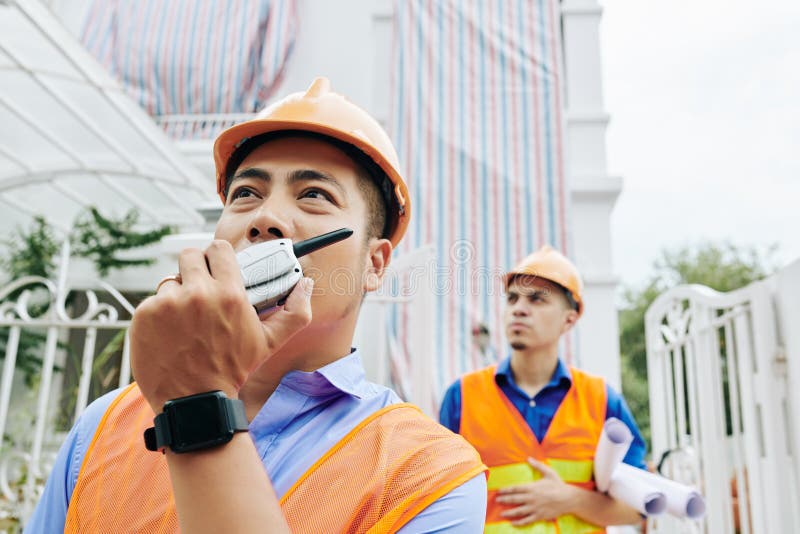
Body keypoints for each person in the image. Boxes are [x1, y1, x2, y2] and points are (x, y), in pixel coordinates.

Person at [26, 78, 486, 533]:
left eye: (315, 195)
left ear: (375, 262)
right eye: (246, 194)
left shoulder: (429, 475)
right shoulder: (102, 425)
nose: (265, 218)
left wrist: (196, 405)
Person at [440, 246, 646, 533]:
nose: (519, 309)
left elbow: (639, 508)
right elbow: (440, 503)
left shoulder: (601, 399)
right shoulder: (462, 396)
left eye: (537, 299)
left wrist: (573, 500)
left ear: (569, 319)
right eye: (512, 298)